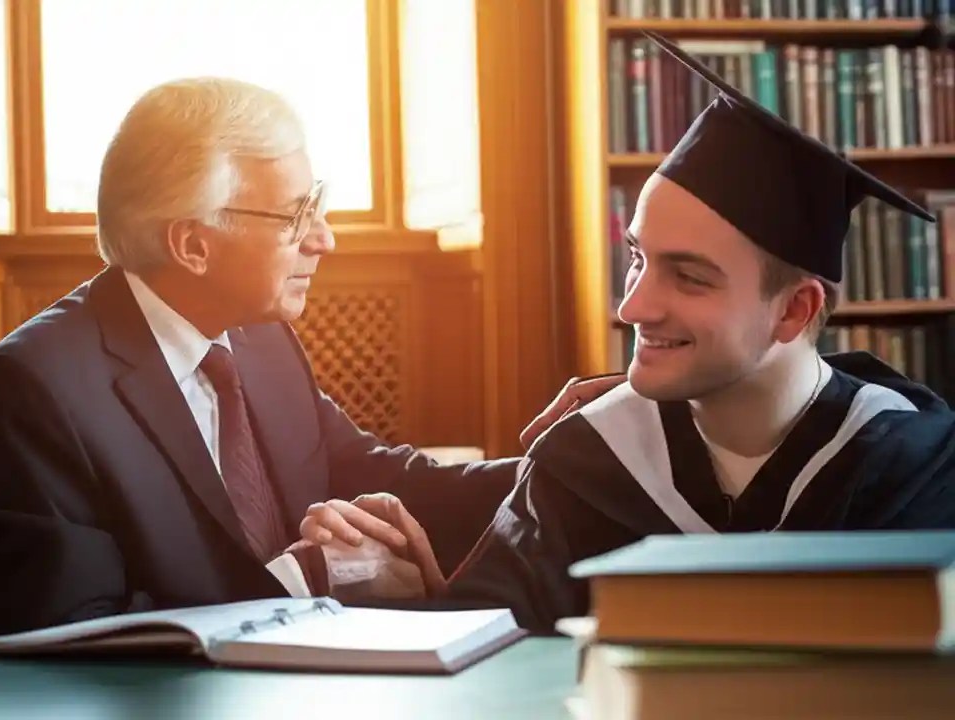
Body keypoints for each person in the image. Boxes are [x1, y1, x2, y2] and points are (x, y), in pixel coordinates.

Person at [296, 31, 955, 631]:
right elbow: (487, 647)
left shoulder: (909, 466)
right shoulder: (588, 458)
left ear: (794, 312)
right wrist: (407, 593)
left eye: (689, 277)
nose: (633, 306)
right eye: (637, 258)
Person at [0, 77, 615, 636]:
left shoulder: (257, 339)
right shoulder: (30, 394)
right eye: (295, 216)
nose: (324, 239)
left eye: (315, 204)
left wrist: (596, 449)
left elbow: (381, 478)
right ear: (193, 245)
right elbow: (68, 635)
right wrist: (305, 580)